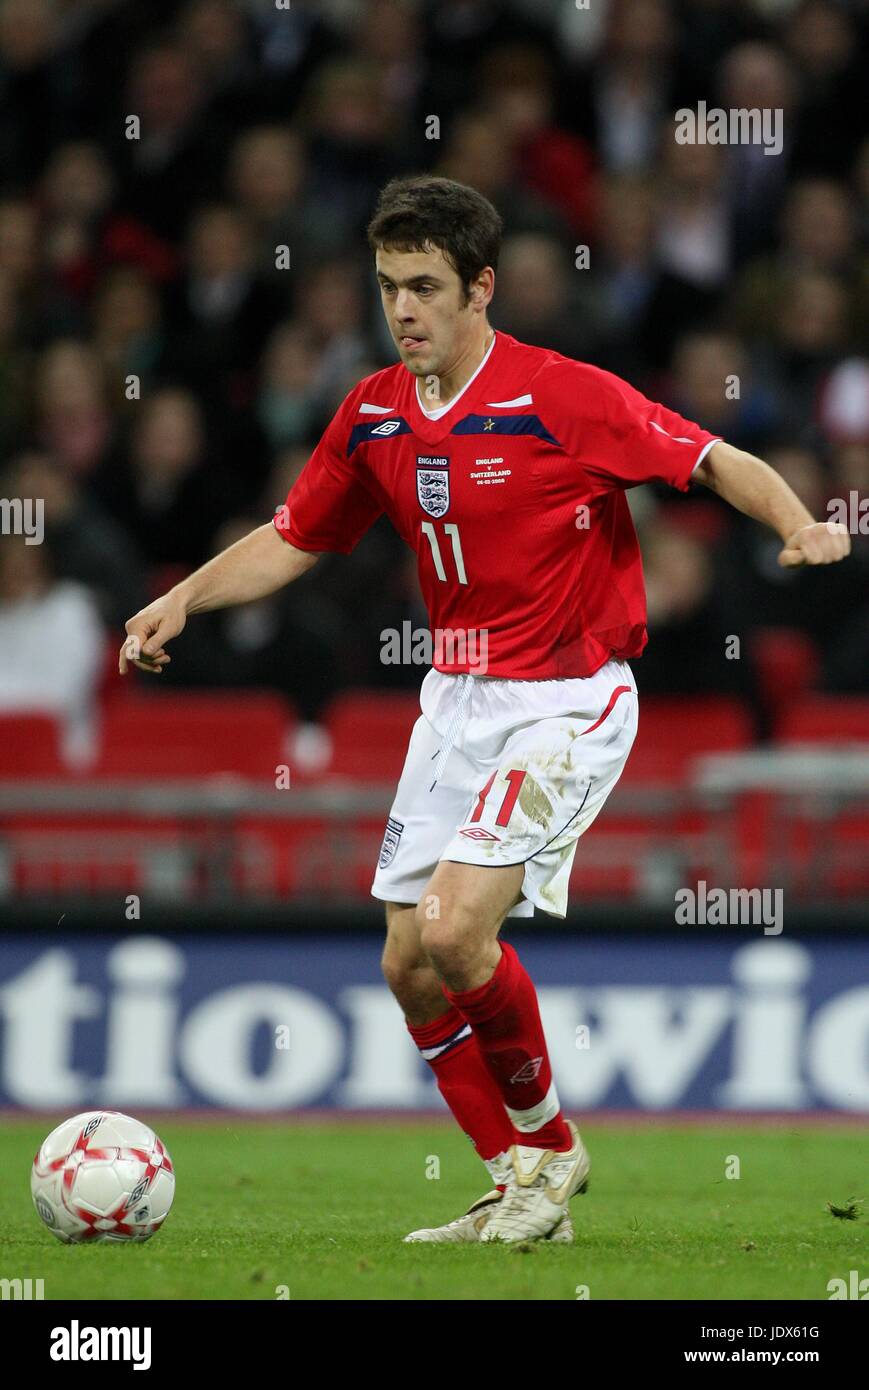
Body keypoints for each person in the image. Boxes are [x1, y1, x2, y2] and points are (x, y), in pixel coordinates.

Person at [119, 176, 851, 1245]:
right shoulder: (371, 411)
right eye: (386, 287)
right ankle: (516, 1181)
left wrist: (801, 524)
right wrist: (182, 595)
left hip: (566, 698)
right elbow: (292, 536)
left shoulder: (560, 395)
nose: (402, 310)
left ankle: (552, 1154)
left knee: (455, 927)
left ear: (480, 289)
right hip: (454, 697)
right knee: (405, 961)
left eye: (423, 287)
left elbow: (710, 458)